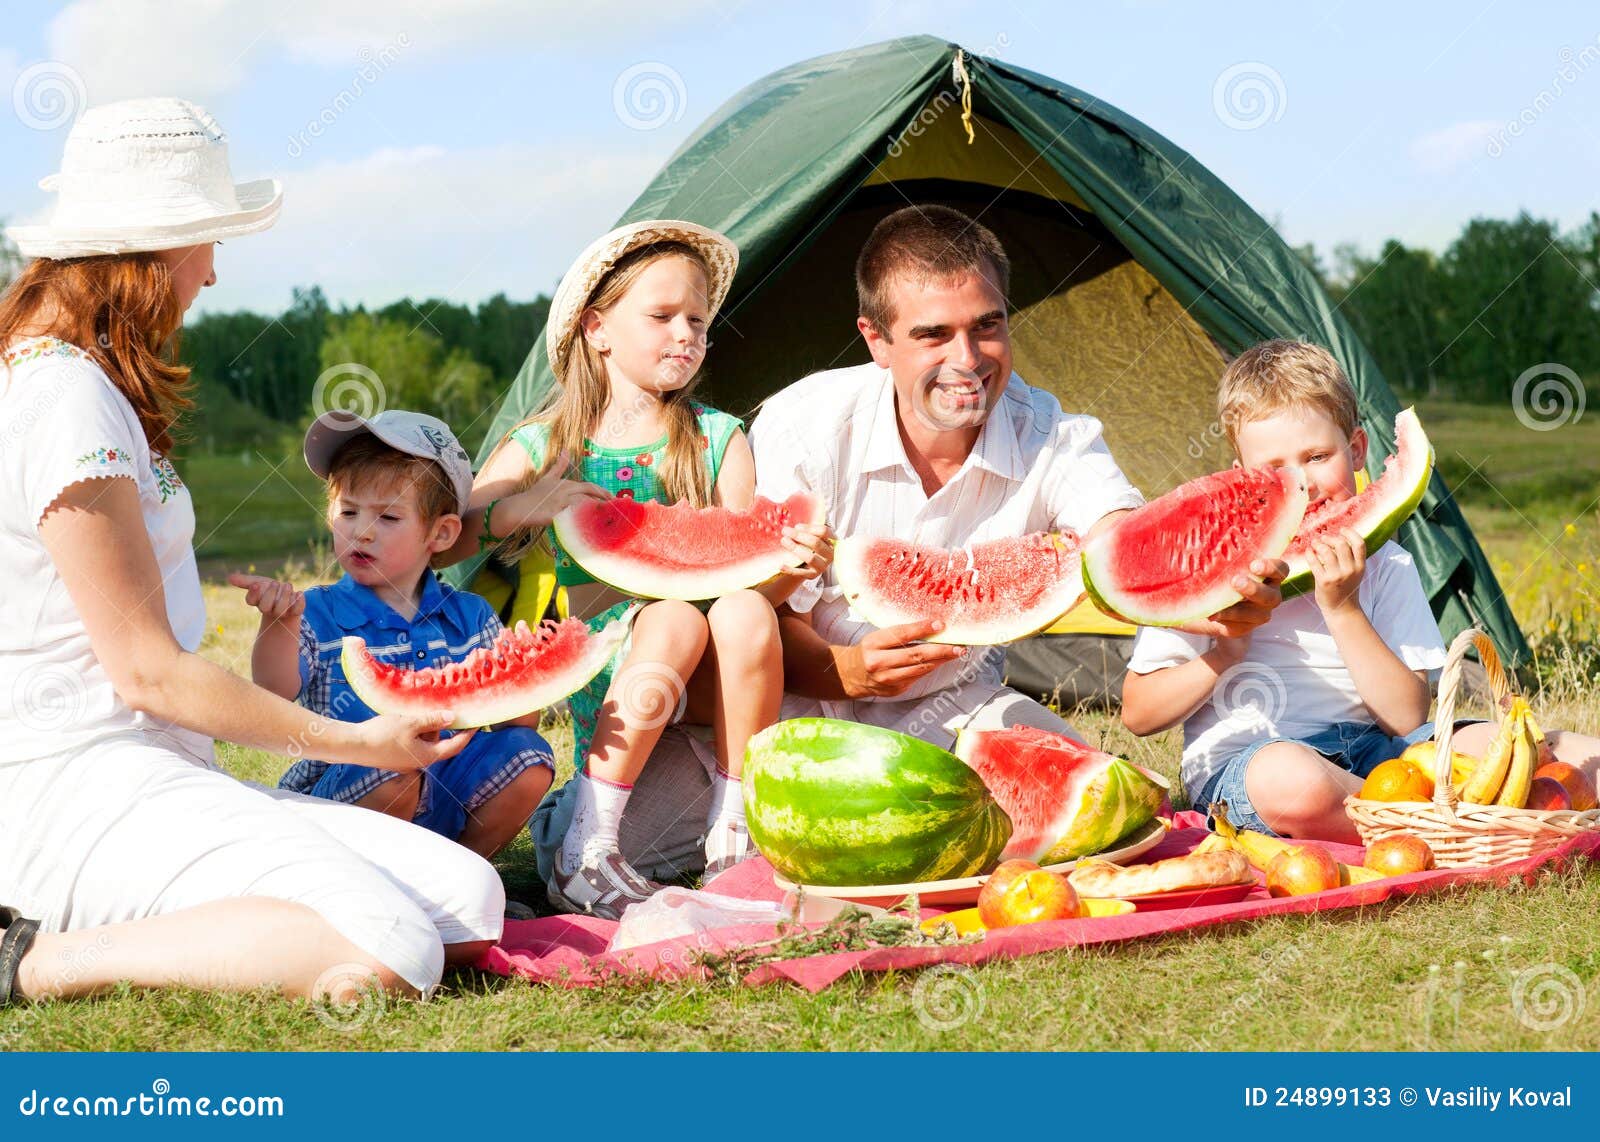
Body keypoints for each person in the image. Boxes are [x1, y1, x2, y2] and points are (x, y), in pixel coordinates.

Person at [0, 98, 502, 1010]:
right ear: (153, 254)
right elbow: (149, 672)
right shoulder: (64, 399)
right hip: (78, 783)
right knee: (388, 947)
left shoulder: (85, 387)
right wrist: (355, 739)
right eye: (208, 244)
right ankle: (28, 959)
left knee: (473, 899)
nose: (214, 275)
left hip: (158, 771)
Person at [748, 205, 1286, 749]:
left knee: (1105, 796)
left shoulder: (1053, 435)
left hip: (958, 704)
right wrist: (847, 669)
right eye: (933, 335)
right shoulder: (804, 428)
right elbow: (756, 617)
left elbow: (1119, 538)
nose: (967, 360)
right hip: (786, 702)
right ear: (877, 340)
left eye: (987, 325)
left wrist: (1207, 591)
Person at [438, 221, 831, 918]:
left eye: (698, 320)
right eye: (661, 316)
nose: (685, 333)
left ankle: (738, 837)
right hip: (613, 694)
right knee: (673, 616)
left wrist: (791, 567)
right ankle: (587, 846)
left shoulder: (717, 439)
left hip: (711, 698)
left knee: (735, 610)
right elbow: (444, 539)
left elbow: (741, 580)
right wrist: (524, 505)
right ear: (597, 328)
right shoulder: (543, 443)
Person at [1121, 340, 1600, 842]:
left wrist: (1344, 610)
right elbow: (1138, 713)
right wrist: (1224, 653)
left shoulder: (1388, 564)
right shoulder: (1207, 575)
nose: (1301, 483)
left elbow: (1406, 715)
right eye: (1275, 470)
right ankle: (1433, 826)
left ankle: (1405, 820)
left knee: (1529, 746)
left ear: (1357, 451)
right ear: (1240, 478)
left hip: (1383, 752)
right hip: (1251, 764)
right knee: (1294, 782)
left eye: (1317, 456)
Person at [232, 410, 555, 858]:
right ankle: (375, 887)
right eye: (348, 512)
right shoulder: (317, 610)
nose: (361, 531)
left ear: (440, 533)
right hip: (345, 801)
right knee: (392, 765)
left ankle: (461, 874)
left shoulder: (470, 616)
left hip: (445, 789)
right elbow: (273, 688)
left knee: (530, 757)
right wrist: (278, 626)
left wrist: (526, 675)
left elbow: (513, 722)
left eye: (387, 517)